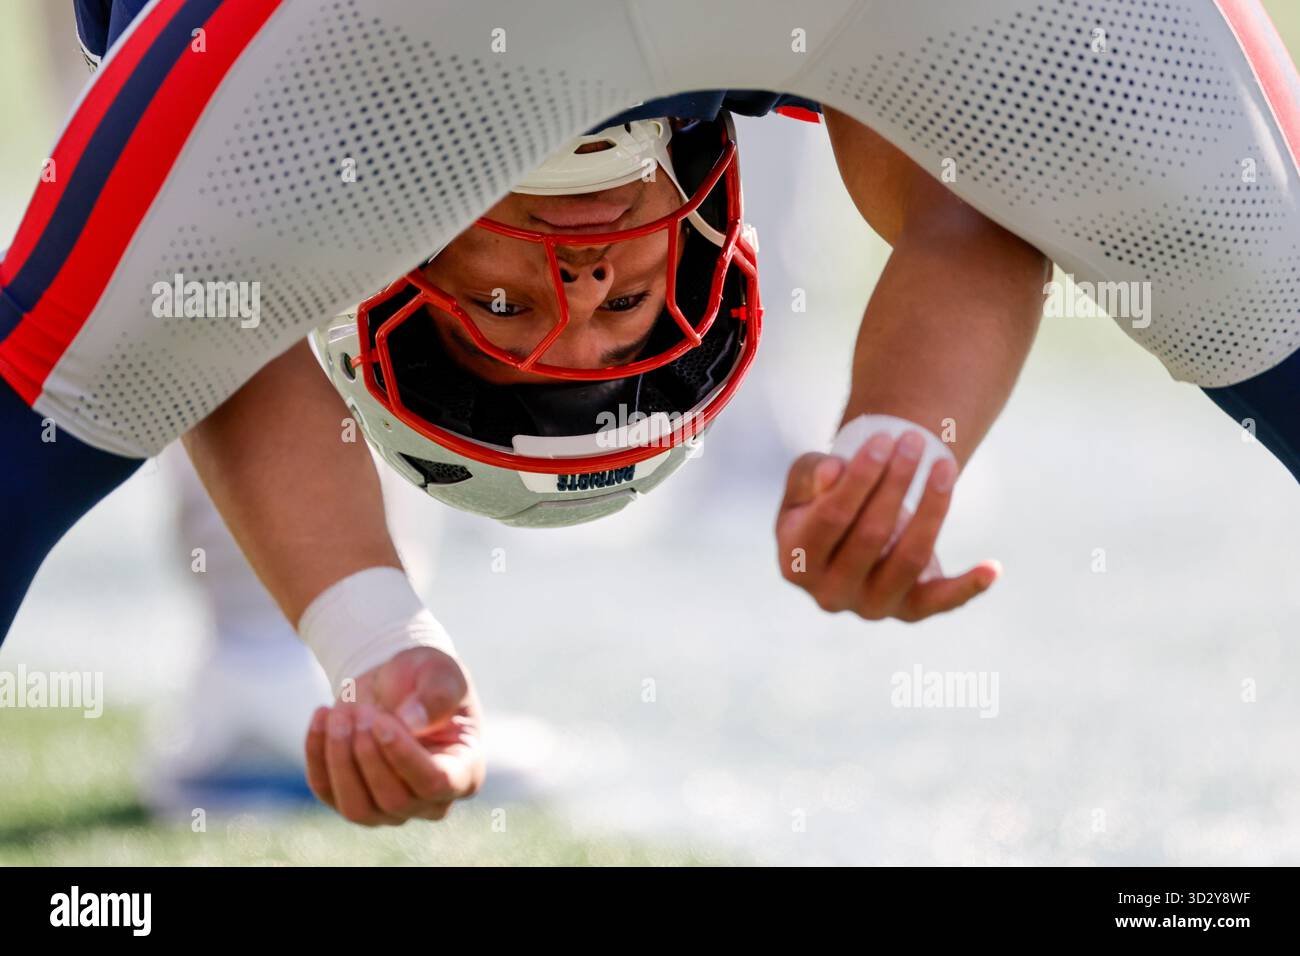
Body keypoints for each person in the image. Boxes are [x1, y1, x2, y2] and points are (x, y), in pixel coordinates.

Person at [2, 0, 1297, 826]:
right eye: (629, 312)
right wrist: (899, 440)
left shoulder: (303, 127)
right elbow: (967, 201)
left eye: (502, 318)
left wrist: (371, 630)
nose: (575, 285)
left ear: (374, 285)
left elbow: (209, 335)